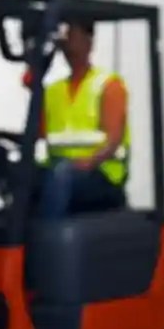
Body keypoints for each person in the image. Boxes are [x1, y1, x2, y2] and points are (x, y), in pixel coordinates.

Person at [37, 16, 130, 219]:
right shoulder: (53, 90)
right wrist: (34, 84)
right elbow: (39, 134)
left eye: (71, 34)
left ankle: (49, 244)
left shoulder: (108, 85)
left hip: (101, 175)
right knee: (15, 173)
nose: (65, 40)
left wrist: (85, 163)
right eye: (64, 35)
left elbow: (113, 141)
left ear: (89, 41)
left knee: (62, 176)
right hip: (62, 170)